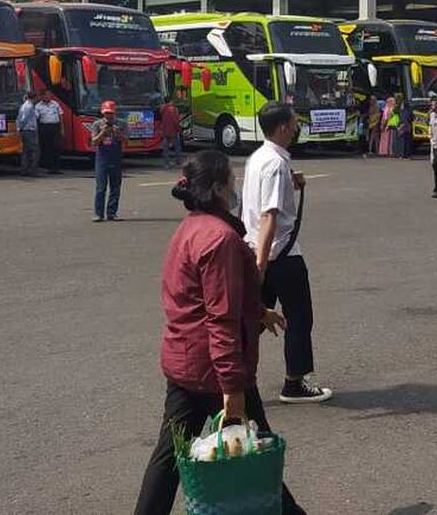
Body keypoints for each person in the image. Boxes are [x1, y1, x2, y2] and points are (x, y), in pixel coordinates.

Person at [133, 150, 304, 515]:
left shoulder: (192, 227)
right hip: (214, 370)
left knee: (169, 458)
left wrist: (258, 312)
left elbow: (200, 297)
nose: (236, 186)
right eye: (232, 180)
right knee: (258, 455)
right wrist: (232, 387)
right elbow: (220, 318)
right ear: (217, 189)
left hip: (184, 362)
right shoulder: (221, 238)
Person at [242, 101, 332, 404]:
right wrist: (262, 265)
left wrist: (291, 185)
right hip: (279, 255)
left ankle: (229, 373)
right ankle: (294, 381)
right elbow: (269, 216)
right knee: (298, 317)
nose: (296, 127)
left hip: (257, 248)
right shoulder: (276, 164)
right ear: (282, 128)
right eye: (293, 122)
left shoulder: (259, 157)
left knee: (254, 318)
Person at [89, 99, 128, 222]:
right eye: (106, 113)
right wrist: (103, 132)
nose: (108, 116)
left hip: (116, 158)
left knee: (115, 187)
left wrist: (118, 134)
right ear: (102, 113)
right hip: (102, 159)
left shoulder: (121, 124)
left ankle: (112, 212)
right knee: (101, 187)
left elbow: (127, 141)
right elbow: (93, 142)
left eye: (110, 113)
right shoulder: (97, 124)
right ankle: (98, 213)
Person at [35, 89, 65, 174]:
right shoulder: (38, 106)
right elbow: (36, 119)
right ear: (42, 96)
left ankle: (56, 167)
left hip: (55, 127)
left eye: (49, 95)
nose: (48, 97)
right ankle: (49, 167)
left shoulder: (55, 104)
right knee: (47, 148)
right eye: (46, 95)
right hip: (45, 128)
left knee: (57, 147)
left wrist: (62, 129)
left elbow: (60, 116)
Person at [16, 91, 40, 176]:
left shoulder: (26, 106)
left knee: (26, 151)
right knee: (34, 150)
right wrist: (20, 128)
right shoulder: (29, 107)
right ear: (34, 97)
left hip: (26, 130)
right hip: (28, 130)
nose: (38, 98)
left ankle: (24, 169)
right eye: (37, 97)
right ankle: (33, 170)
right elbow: (23, 119)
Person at [160, 97, 182, 169]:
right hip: (173, 131)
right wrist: (179, 129)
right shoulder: (173, 109)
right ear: (171, 101)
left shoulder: (162, 109)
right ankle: (178, 162)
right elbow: (175, 120)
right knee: (177, 147)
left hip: (165, 131)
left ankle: (166, 163)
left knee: (165, 148)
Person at [397, 94, 414, 159]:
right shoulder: (406, 110)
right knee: (406, 141)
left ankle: (404, 154)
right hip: (406, 127)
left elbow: (406, 119)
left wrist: (400, 126)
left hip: (405, 127)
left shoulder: (405, 111)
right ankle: (405, 154)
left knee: (404, 142)